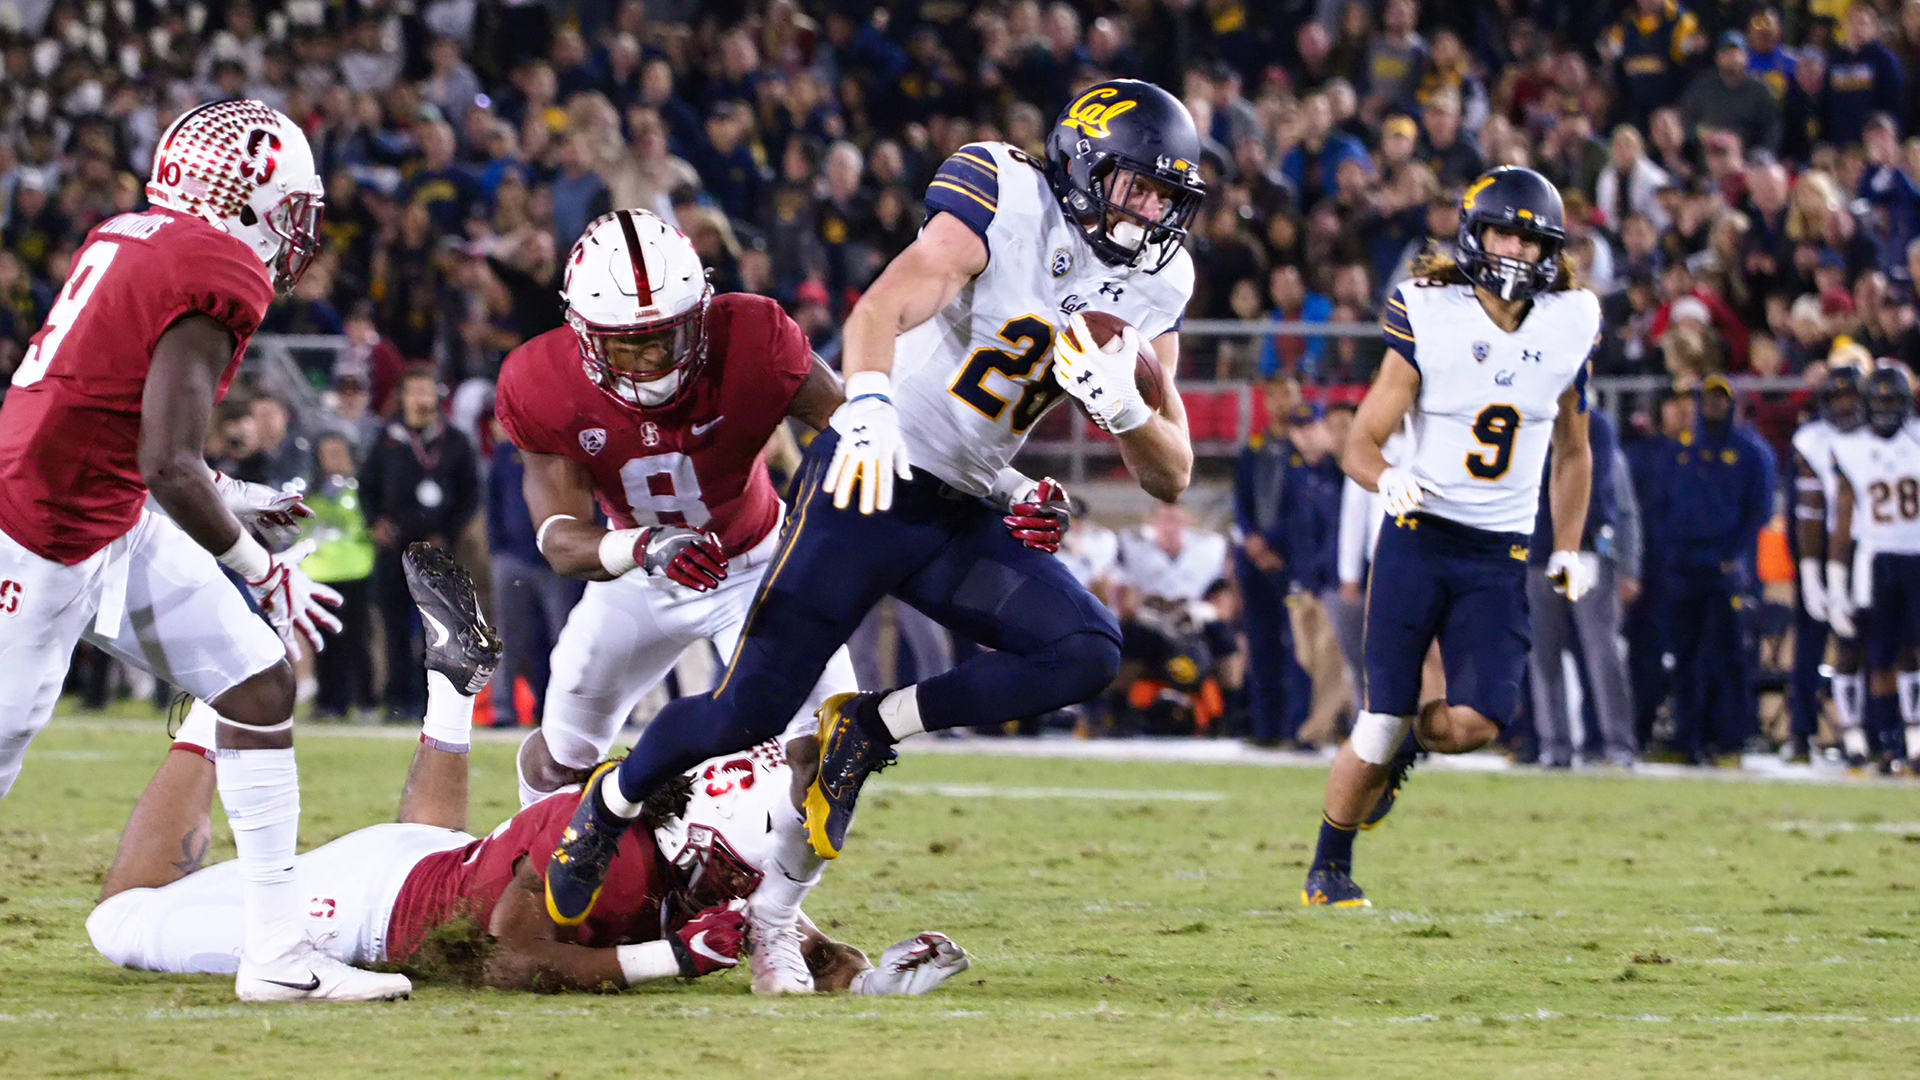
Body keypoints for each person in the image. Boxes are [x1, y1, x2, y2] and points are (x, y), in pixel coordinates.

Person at [545, 79, 1203, 930]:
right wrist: (864, 407)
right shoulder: (1004, 193)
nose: (1151, 213)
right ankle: (611, 801)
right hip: (872, 474)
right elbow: (889, 300)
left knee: (1085, 650)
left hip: (965, 505)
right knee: (747, 709)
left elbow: (1172, 471)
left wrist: (1126, 411)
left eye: (1166, 196)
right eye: (1137, 186)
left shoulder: (1158, 280)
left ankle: (874, 726)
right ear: (1083, 163)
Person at [86, 545, 969, 998]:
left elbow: (791, 938)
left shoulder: (686, 835)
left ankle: (450, 693)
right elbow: (505, 960)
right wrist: (667, 959)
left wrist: (874, 976)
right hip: (361, 913)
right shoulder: (614, 852)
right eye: (739, 867)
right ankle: (224, 696)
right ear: (699, 833)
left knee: (458, 862)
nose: (743, 886)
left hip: (432, 859)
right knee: (120, 922)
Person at [0, 100, 399, 1002]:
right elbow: (168, 463)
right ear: (250, 195)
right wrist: (266, 566)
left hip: (105, 506)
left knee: (258, 680)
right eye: (293, 206)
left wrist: (239, 497)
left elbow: (127, 429)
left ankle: (277, 958)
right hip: (39, 535)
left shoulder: (135, 234)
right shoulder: (219, 266)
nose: (301, 231)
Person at [496, 209, 859, 994]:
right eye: (627, 339)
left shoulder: (757, 337)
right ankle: (534, 874)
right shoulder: (538, 378)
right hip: (640, 575)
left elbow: (859, 430)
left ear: (700, 312)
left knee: (831, 754)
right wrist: (643, 546)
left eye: (665, 333)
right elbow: (559, 539)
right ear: (585, 332)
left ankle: (776, 926)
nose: (652, 354)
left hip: (758, 564)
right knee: (560, 756)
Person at [1302, 167, 1599, 908]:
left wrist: (1567, 546)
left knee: (1477, 722)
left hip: (1499, 552)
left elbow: (1574, 451)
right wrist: (1389, 478)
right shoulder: (1430, 310)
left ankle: (1406, 749)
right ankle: (1327, 868)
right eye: (1505, 231)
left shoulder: (1571, 320)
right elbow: (1361, 442)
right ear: (1473, 233)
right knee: (1378, 719)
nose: (1518, 250)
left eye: (1533, 239)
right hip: (1419, 535)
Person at [1664, 376, 1777, 765]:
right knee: (1685, 655)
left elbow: (1758, 512)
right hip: (1684, 566)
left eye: (1720, 400)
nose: (1713, 407)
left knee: (1728, 657)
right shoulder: (1682, 449)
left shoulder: (1751, 452)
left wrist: (1734, 556)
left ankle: (1731, 739)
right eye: (1707, 400)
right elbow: (1665, 504)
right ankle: (1687, 737)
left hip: (1726, 568)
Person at [361, 366, 481, 720]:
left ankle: (435, 702)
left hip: (438, 550)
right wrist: (375, 523)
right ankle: (397, 700)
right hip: (393, 547)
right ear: (402, 397)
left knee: (438, 628)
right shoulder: (387, 438)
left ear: (438, 397)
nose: (421, 399)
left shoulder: (455, 441)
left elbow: (471, 492)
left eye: (427, 391)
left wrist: (451, 530)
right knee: (394, 626)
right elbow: (366, 485)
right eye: (414, 391)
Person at [1525, 408, 1639, 768]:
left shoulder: (1595, 423)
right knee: (1542, 654)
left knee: (1601, 650)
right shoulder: (1528, 416)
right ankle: (1554, 744)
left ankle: (1618, 743)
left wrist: (1588, 542)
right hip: (1537, 551)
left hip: (1581, 553)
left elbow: (1599, 485)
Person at [1828, 365, 1920, 772]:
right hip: (1874, 560)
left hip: (1915, 555)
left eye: (1892, 402)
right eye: (1878, 401)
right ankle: (1887, 741)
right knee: (1878, 654)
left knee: (1912, 652)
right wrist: (1833, 580)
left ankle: (1913, 740)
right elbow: (1844, 521)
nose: (1884, 410)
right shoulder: (1850, 448)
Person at [1787, 364, 1869, 763]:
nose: (1846, 406)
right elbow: (1804, 513)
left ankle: (1870, 733)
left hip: (1868, 553)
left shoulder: (1886, 438)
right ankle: (1800, 732)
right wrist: (1810, 574)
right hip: (1818, 552)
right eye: (1837, 398)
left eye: (1852, 397)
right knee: (1809, 647)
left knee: (1871, 647)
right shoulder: (1812, 440)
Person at [484, 415, 582, 729]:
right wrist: (498, 550)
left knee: (565, 639)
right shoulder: (506, 452)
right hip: (513, 556)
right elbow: (492, 501)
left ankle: (565, 712)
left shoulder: (566, 451)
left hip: (556, 560)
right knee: (508, 638)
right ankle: (503, 709)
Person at [1233, 380, 1314, 746]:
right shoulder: (1255, 448)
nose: (1281, 403)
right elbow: (1241, 500)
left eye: (1288, 395)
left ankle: (1295, 727)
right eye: (1276, 395)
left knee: (1297, 646)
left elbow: (1304, 510)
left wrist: (1271, 541)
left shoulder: (1305, 452)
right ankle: (1264, 728)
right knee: (1260, 643)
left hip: (1289, 560)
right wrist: (1251, 538)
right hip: (1254, 560)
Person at [304, 432, 378, 720]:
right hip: (319, 572)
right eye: (327, 453)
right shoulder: (313, 490)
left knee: (357, 641)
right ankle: (329, 702)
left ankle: (366, 701)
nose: (333, 458)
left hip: (355, 570)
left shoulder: (361, 489)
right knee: (324, 643)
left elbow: (364, 521)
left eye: (338, 452)